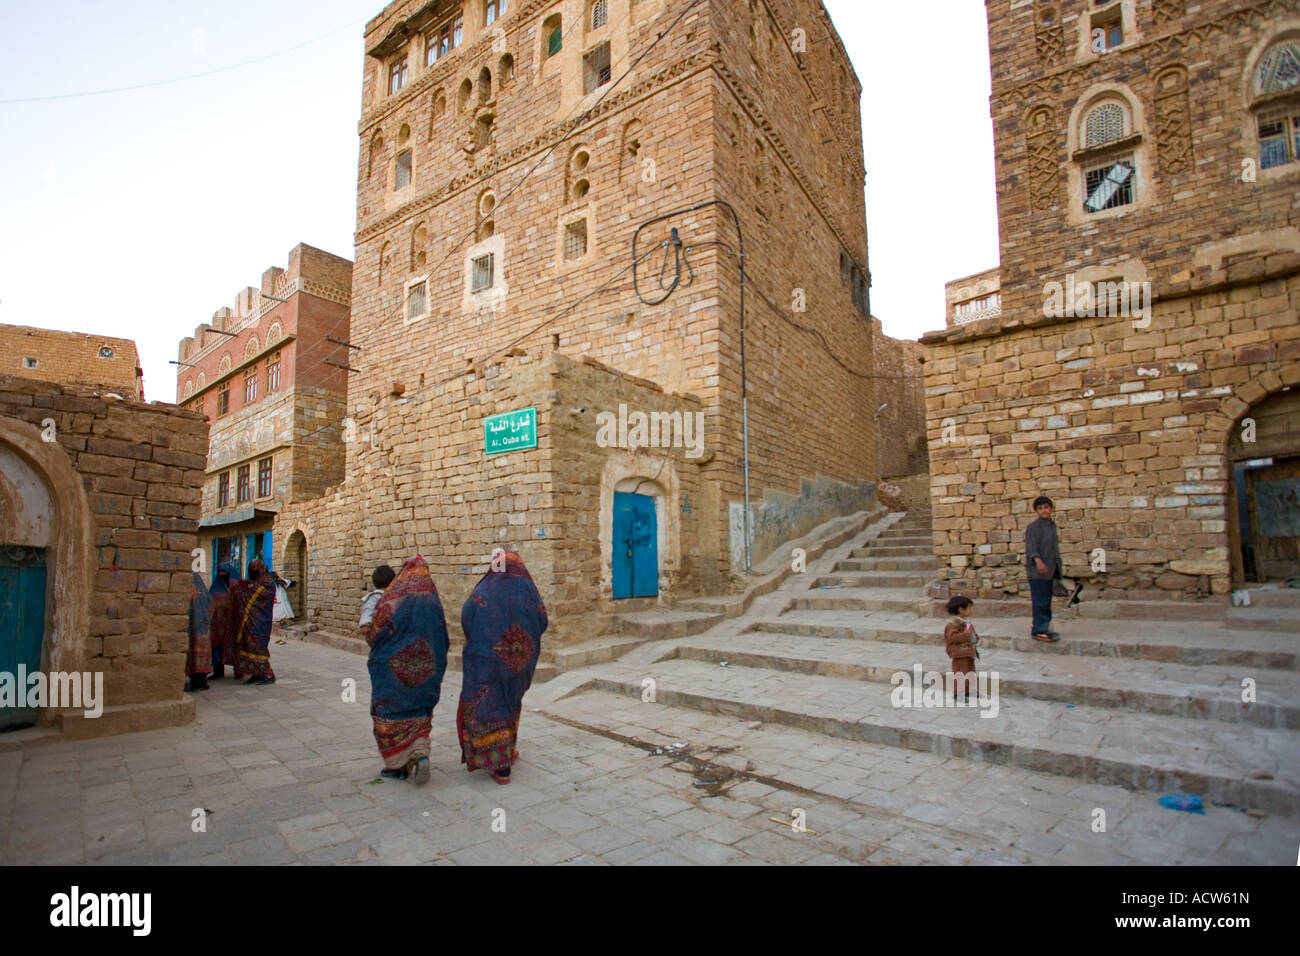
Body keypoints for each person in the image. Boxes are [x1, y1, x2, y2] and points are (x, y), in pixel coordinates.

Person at [457, 550, 547, 785]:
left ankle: (499, 763)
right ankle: (506, 754)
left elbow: (467, 615)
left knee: (488, 704)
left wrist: (480, 639)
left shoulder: (485, 588)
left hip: (486, 659)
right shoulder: (528, 590)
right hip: (518, 661)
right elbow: (542, 620)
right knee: (510, 704)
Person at [365, 557, 449, 784]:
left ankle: (396, 766)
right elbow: (443, 637)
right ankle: (420, 752)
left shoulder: (392, 599)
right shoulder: (433, 601)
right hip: (426, 670)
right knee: (420, 712)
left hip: (391, 671)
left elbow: (374, 633)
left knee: (389, 712)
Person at [231, 559, 278, 684]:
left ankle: (268, 674)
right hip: (248, 621)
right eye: (251, 569)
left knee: (258, 646)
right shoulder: (252, 582)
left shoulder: (268, 582)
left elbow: (265, 595)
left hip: (261, 621)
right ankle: (256, 673)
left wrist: (249, 587)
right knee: (248, 645)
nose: (253, 572)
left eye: (255, 570)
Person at [1025, 495, 1062, 642]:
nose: (1044, 510)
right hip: (1038, 571)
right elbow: (1031, 547)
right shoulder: (1033, 527)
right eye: (1040, 508)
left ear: (1051, 508)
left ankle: (1044, 628)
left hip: (1050, 570)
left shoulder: (1051, 526)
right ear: (1036, 511)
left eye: (1046, 507)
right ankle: (1038, 630)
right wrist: (1038, 561)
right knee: (1040, 601)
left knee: (1046, 601)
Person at [208, 562, 240, 680]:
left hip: (235, 624)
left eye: (224, 572)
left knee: (236, 646)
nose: (222, 574)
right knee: (217, 648)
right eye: (220, 572)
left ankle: (238, 670)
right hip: (218, 626)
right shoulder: (215, 589)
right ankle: (218, 671)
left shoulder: (238, 589)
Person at [943, 595, 978, 700]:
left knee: (970, 672)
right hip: (959, 653)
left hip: (968, 652)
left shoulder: (965, 621)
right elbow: (952, 638)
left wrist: (975, 637)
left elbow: (971, 633)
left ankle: (969, 691)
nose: (971, 611)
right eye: (969, 608)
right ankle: (958, 694)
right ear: (960, 610)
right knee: (961, 673)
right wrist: (966, 634)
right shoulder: (953, 624)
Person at [186, 571, 213, 692]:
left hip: (194, 630)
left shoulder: (193, 593)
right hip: (203, 631)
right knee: (200, 657)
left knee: (195, 656)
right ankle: (201, 682)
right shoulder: (204, 594)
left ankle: (197, 683)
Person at [360, 565, 396, 641]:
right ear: (392, 582)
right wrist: (365, 623)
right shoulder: (374, 597)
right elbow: (368, 609)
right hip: (379, 637)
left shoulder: (393, 596)